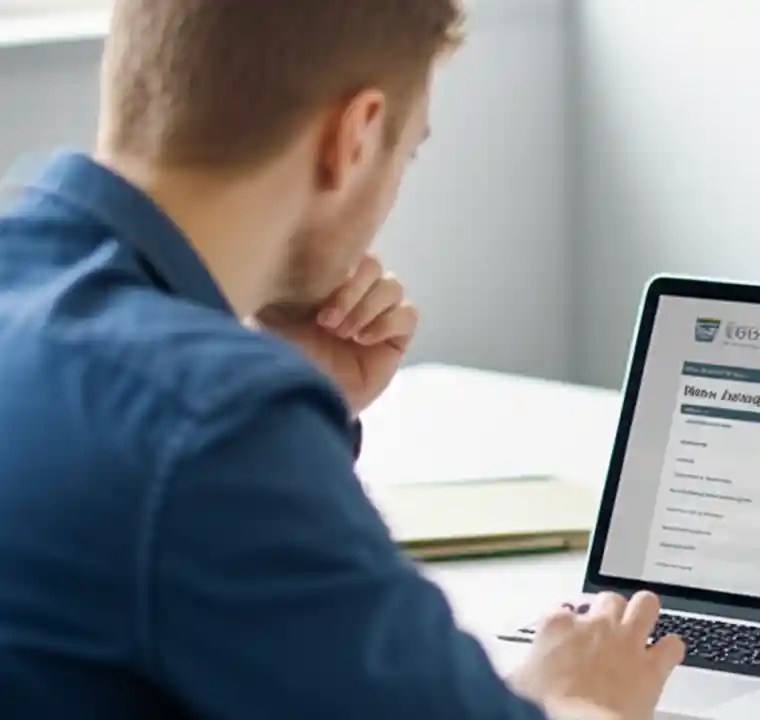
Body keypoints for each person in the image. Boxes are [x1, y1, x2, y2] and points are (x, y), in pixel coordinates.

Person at [0, 2, 684, 719]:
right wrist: (579, 697)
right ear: (353, 137)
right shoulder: (217, 424)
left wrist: (292, 390)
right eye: (406, 151)